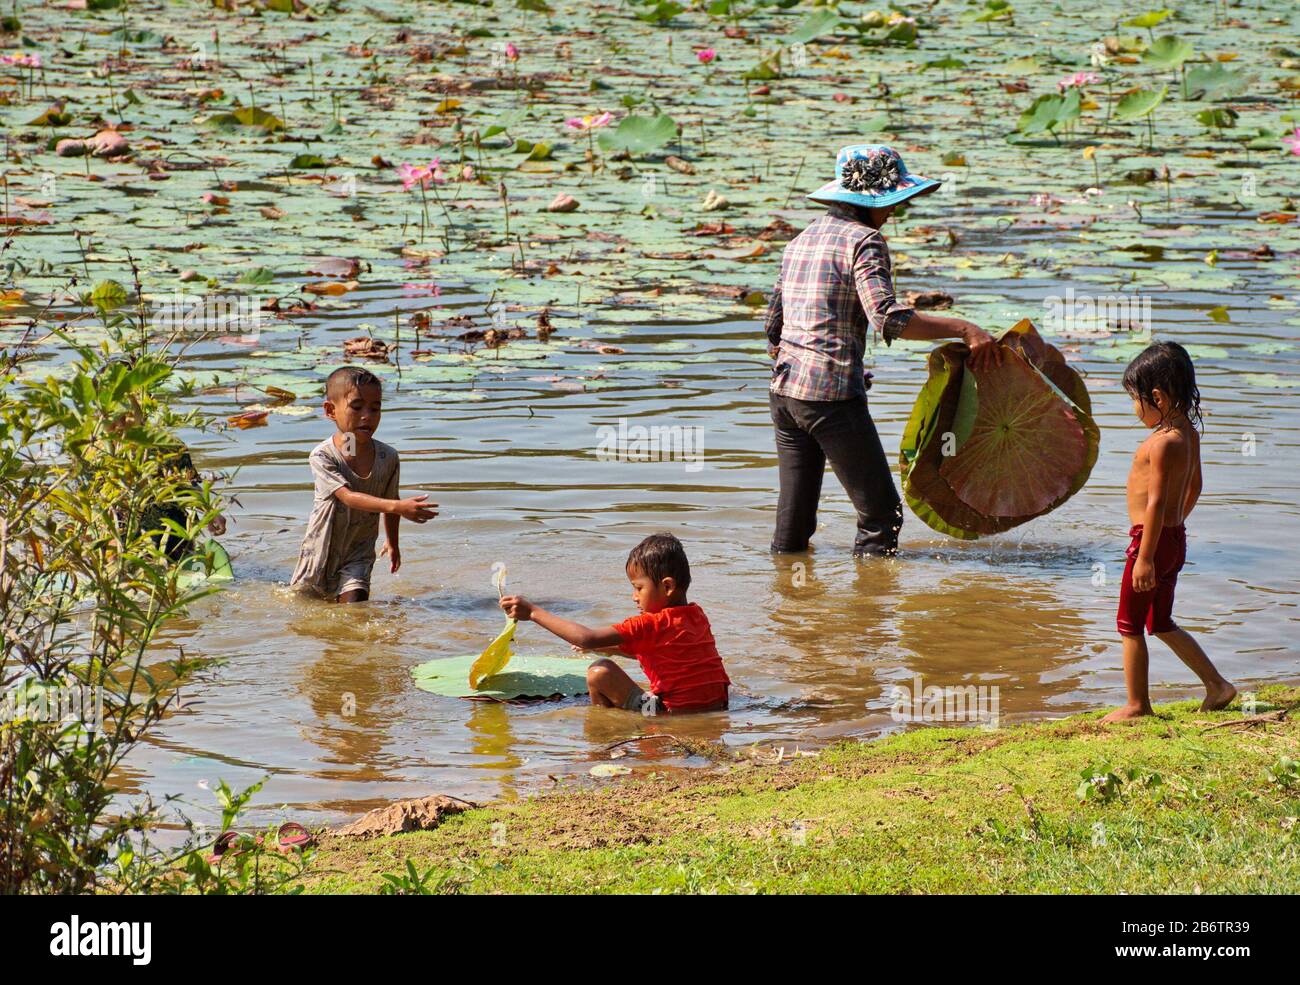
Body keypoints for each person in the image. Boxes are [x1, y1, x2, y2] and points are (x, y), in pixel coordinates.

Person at [765, 143, 1001, 557]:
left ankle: (787, 608)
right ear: (871, 201)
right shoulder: (866, 241)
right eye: (894, 203)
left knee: (795, 519)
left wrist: (833, 363)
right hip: (829, 399)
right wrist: (965, 328)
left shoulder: (801, 240)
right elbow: (887, 318)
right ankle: (870, 613)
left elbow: (773, 328)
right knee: (882, 514)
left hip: (785, 393)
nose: (895, 212)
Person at [1101, 341, 1235, 722]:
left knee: (1128, 624)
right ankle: (1217, 685)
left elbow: (1155, 504)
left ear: (1156, 396)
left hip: (1150, 541)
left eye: (1135, 399)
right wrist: (1176, 527)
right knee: (1160, 622)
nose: (1134, 409)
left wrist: (1145, 557)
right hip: (1174, 539)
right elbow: (1196, 487)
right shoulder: (1188, 435)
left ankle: (1137, 705)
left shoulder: (1161, 443)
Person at [498, 533, 730, 715]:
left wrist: (533, 612)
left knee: (600, 672)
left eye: (639, 588)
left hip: (670, 714)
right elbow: (666, 654)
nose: (634, 596)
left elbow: (586, 638)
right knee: (606, 662)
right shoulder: (695, 615)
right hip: (716, 707)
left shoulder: (650, 623)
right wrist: (611, 649)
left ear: (667, 587)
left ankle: (606, 728)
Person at [290, 366, 437, 603]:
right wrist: (397, 507)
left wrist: (392, 542)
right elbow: (348, 496)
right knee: (308, 613)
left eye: (375, 408)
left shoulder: (387, 457)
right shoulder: (322, 456)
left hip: (358, 554)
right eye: (356, 407)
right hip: (319, 552)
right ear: (330, 410)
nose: (367, 415)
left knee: (355, 610)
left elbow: (392, 497)